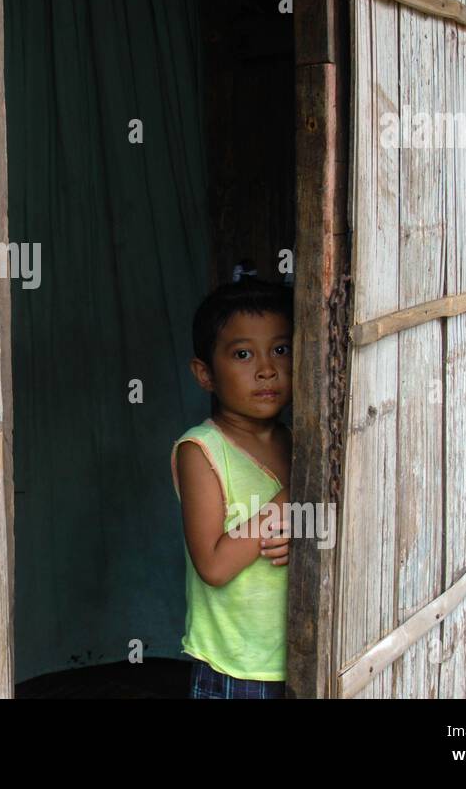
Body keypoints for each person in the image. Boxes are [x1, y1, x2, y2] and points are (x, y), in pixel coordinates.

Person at [169, 277, 293, 698]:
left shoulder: (299, 441)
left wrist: (303, 535)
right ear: (205, 374)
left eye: (281, 349)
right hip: (235, 671)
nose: (266, 369)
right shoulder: (202, 450)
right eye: (243, 354)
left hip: (301, 656)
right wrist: (287, 504)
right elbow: (215, 566)